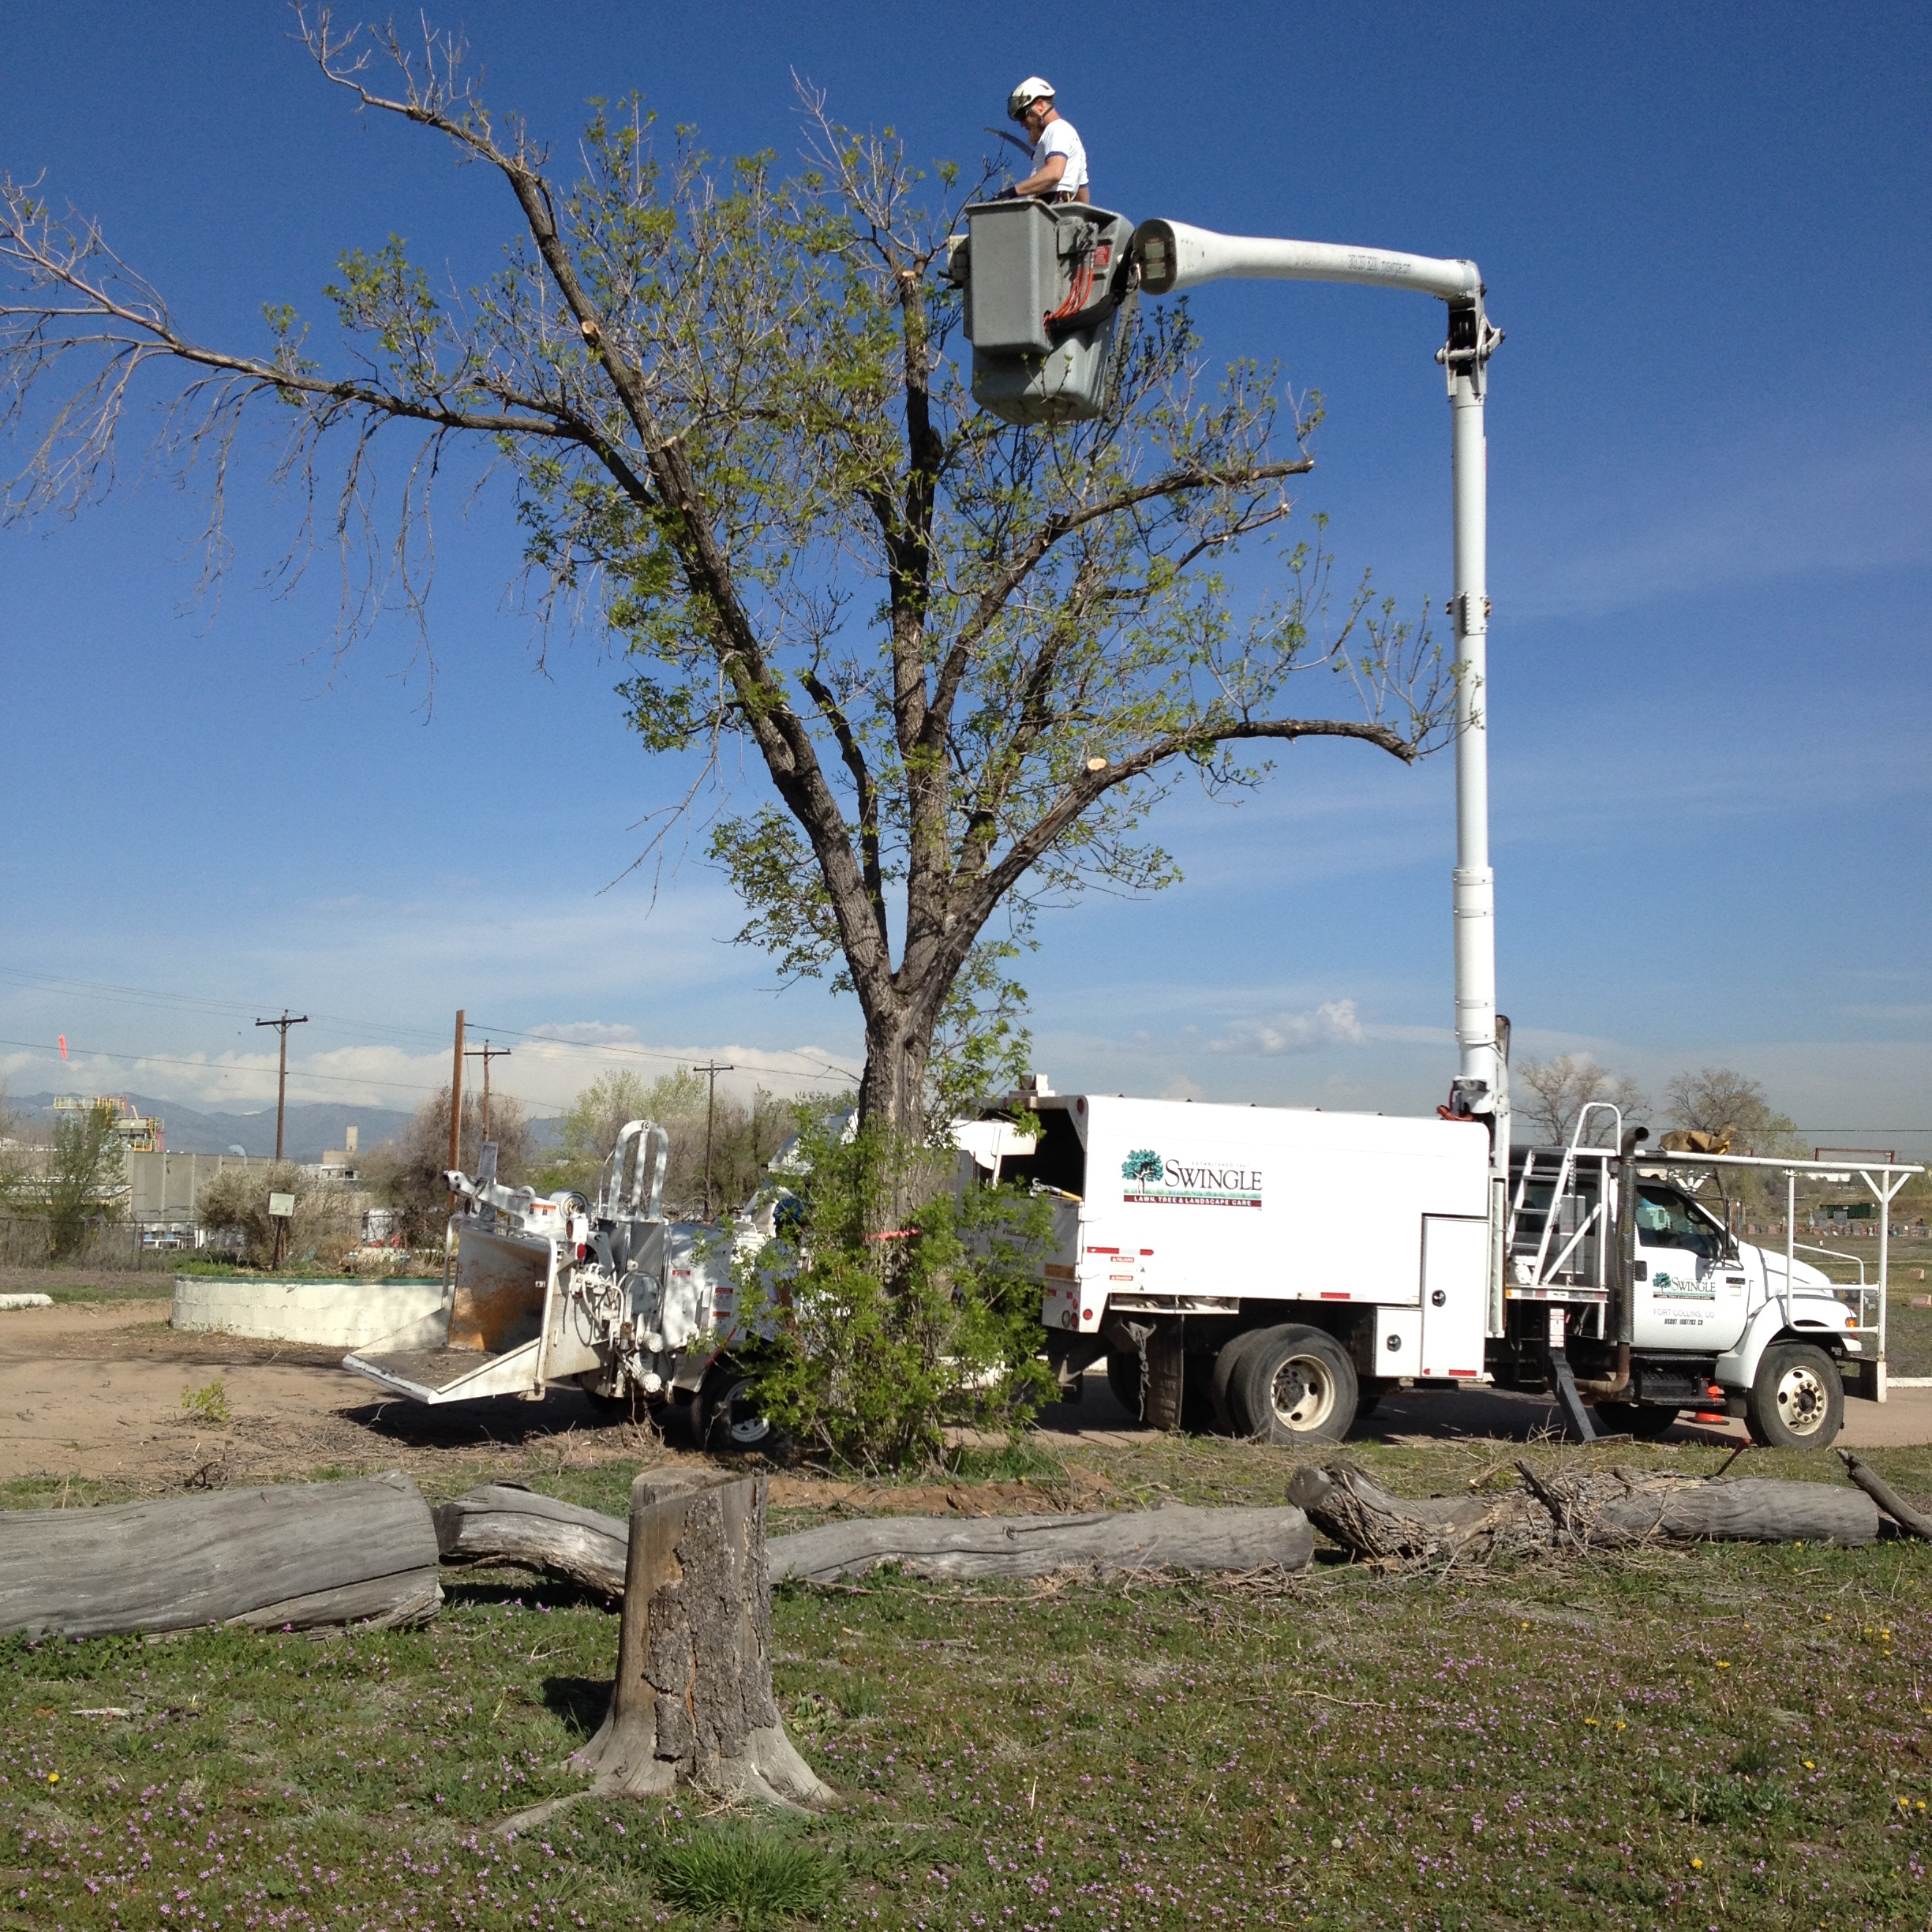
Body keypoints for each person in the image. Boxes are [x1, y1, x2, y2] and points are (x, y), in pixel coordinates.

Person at [1005, 77, 1090, 204]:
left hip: (1050, 207)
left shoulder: (1056, 128)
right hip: (1060, 211)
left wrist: (1010, 193)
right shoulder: (1070, 137)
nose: (1022, 124)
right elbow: (1082, 195)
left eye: (1022, 115)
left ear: (1039, 106)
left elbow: (1054, 173)